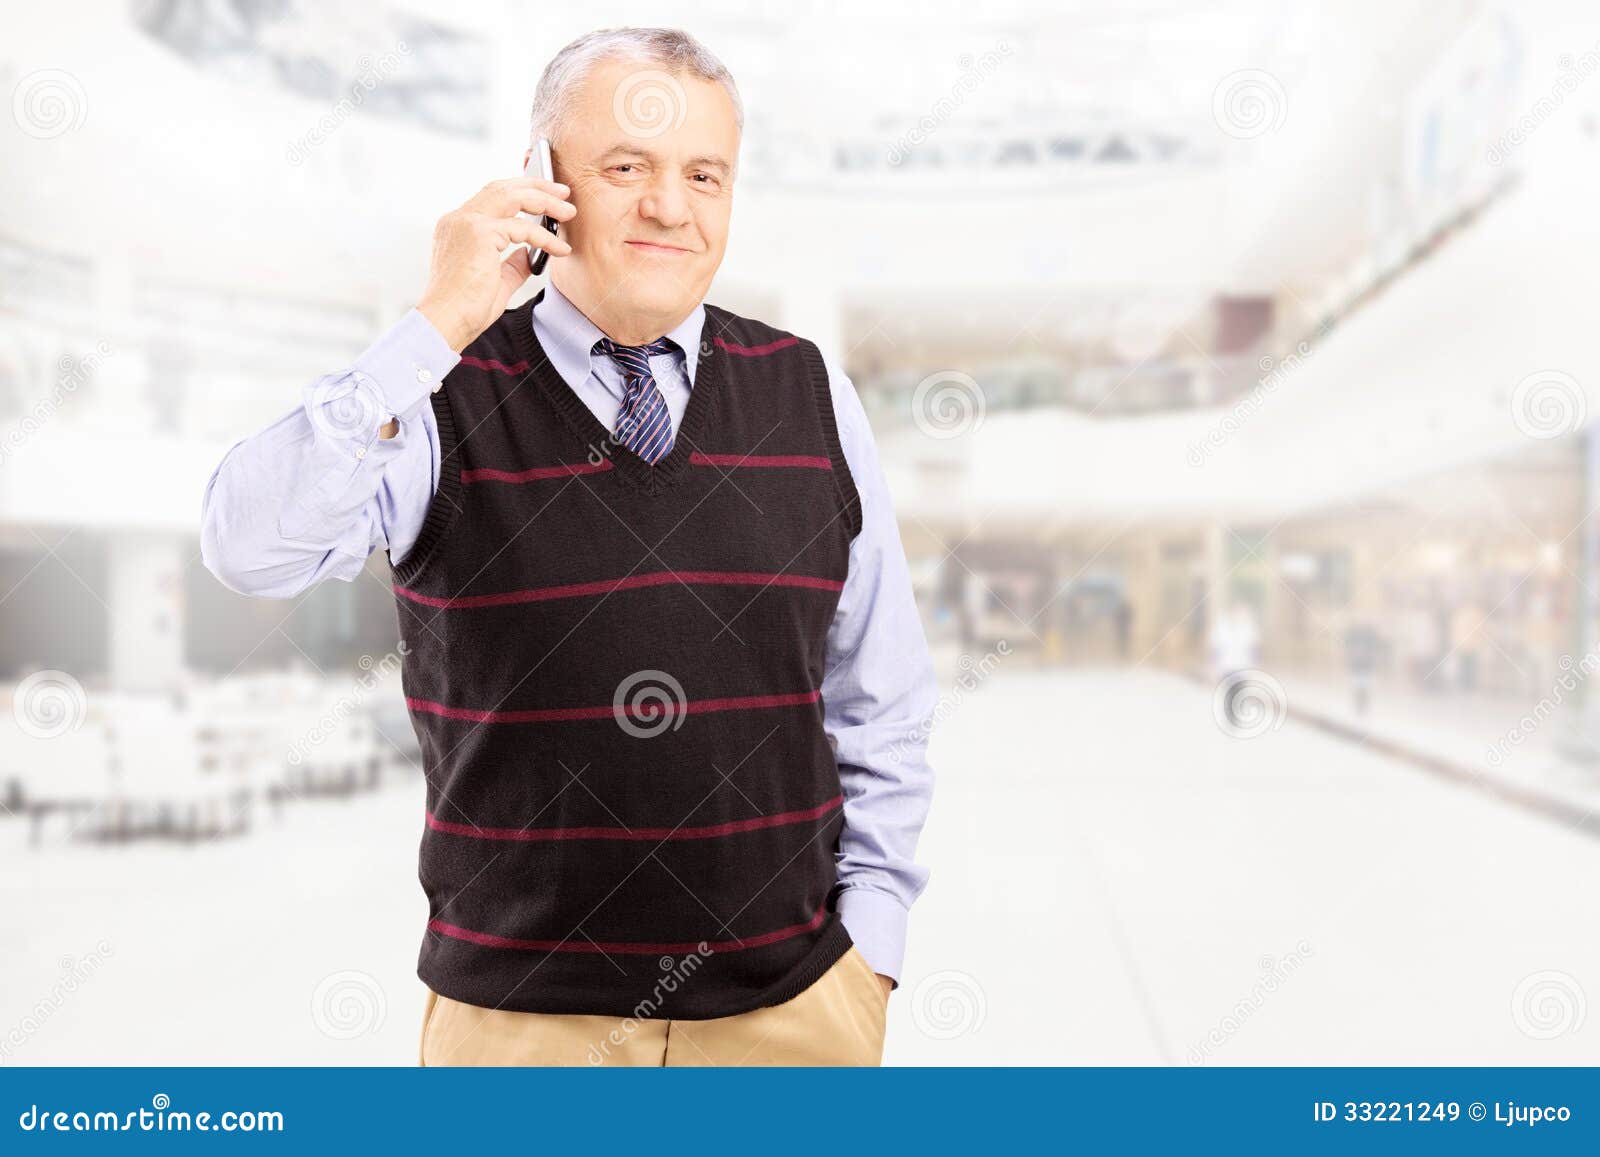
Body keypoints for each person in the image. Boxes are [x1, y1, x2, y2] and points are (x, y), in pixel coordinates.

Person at [200, 27, 936, 1067]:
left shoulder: (810, 391)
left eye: (703, 174)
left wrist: (872, 949)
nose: (670, 206)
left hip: (795, 1012)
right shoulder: (433, 394)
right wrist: (440, 318)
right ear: (543, 183)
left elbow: (881, 696)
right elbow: (248, 545)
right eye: (626, 167)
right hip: (521, 1030)